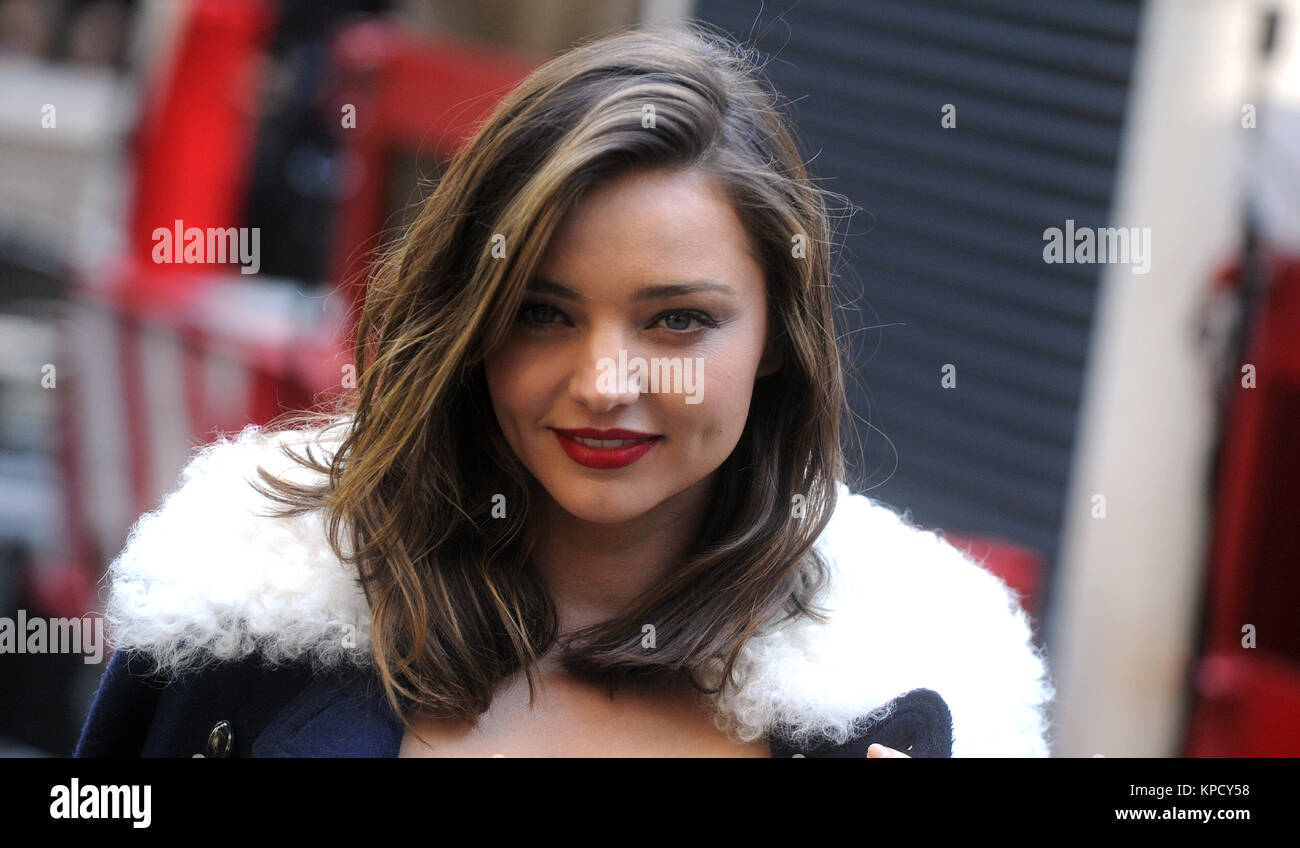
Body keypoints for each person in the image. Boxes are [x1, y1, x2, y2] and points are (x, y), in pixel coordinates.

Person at [74, 22, 1054, 758]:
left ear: (775, 340)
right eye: (542, 313)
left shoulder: (911, 685)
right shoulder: (239, 618)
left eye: (677, 319)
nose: (603, 382)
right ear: (471, 323)